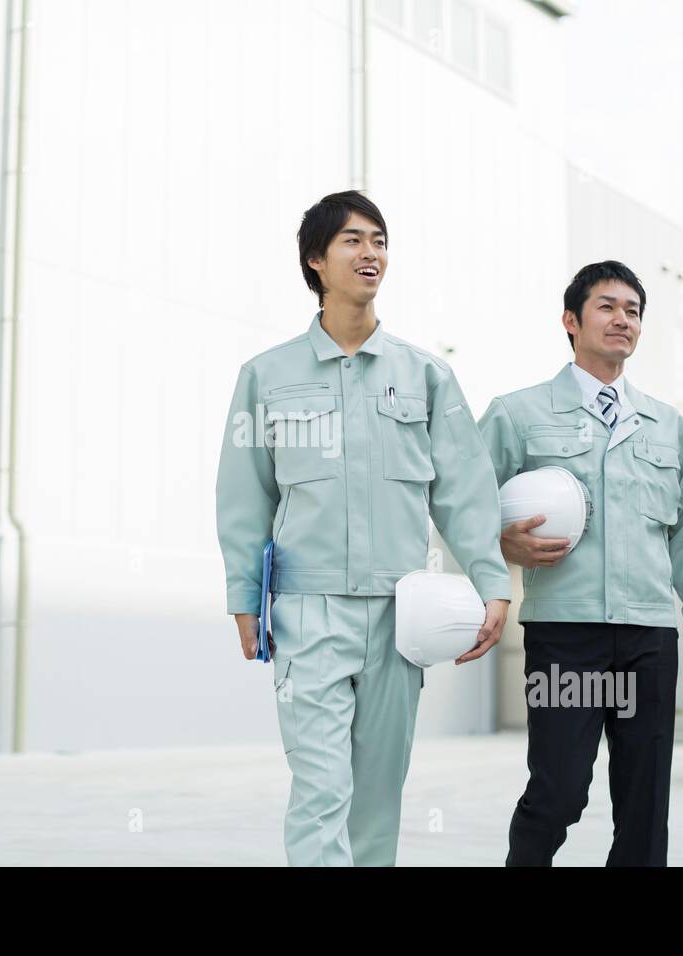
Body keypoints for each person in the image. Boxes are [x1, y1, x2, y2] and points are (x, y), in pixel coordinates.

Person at [214, 190, 511, 866]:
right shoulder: (267, 376)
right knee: (320, 789)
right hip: (304, 613)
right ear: (316, 261)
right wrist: (242, 600)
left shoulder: (427, 375)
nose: (370, 251)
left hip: (399, 614)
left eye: (379, 239)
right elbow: (243, 497)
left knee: (377, 800)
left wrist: (492, 582)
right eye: (352, 240)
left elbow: (464, 490)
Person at [478, 260, 683, 866]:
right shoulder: (519, 413)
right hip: (566, 633)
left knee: (645, 807)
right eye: (607, 307)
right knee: (559, 792)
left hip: (647, 634)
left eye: (634, 311)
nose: (623, 320)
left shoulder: (669, 428)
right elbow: (461, 505)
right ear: (571, 320)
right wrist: (500, 543)